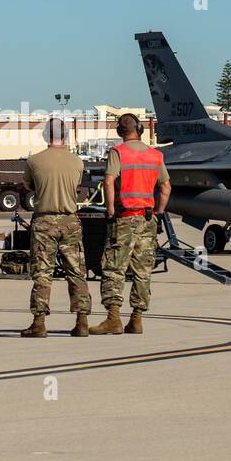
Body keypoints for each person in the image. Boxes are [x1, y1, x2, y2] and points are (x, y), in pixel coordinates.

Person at [89, 113, 171, 334]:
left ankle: (113, 318)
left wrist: (111, 211)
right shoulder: (156, 155)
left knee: (114, 267)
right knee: (143, 270)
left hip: (124, 218)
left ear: (119, 132)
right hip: (147, 218)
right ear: (140, 129)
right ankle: (137, 318)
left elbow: (108, 181)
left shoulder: (119, 152)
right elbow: (165, 187)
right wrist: (159, 213)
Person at [20, 118, 90, 337]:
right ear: (66, 135)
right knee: (76, 271)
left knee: (42, 272)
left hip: (44, 221)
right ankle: (82, 321)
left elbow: (29, 185)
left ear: (45, 136)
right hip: (70, 221)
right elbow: (77, 185)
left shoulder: (34, 161)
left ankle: (39, 322)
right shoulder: (77, 162)